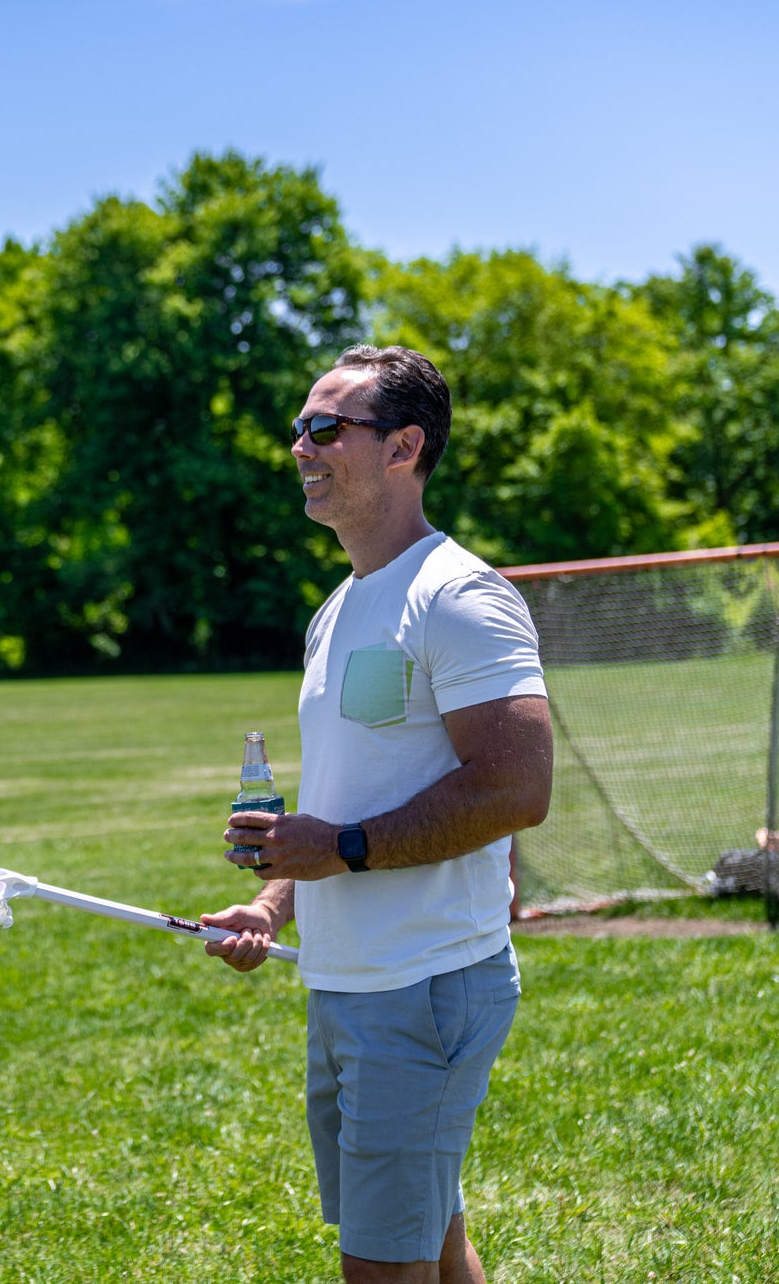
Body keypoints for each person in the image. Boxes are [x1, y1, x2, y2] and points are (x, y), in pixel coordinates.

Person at [201, 345, 553, 1284]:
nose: (300, 447)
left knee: (381, 1265)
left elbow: (518, 786)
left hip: (425, 983)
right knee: (429, 1236)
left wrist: (343, 850)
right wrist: (272, 903)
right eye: (297, 430)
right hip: (348, 979)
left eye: (325, 429)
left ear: (403, 446)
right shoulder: (338, 607)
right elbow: (338, 801)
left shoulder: (461, 597)